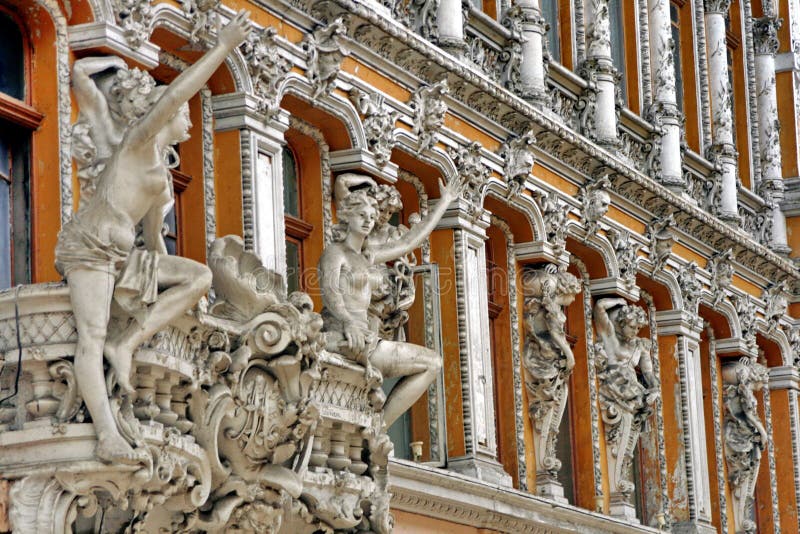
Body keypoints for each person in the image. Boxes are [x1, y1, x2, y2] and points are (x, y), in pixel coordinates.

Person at [55, 11, 252, 463]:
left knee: (198, 277)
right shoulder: (139, 143)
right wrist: (222, 47)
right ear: (166, 114)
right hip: (90, 247)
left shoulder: (162, 179)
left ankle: (126, 342)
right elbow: (180, 90)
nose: (189, 123)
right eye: (184, 116)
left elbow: (153, 241)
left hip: (124, 256)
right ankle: (107, 436)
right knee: (90, 336)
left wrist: (169, 297)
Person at [318, 173, 463, 428]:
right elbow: (330, 292)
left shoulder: (367, 256)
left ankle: (378, 427)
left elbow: (410, 241)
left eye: (371, 217)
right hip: (344, 335)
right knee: (431, 363)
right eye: (361, 215)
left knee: (433, 363)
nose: (368, 221)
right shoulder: (335, 252)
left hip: (366, 338)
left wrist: (444, 202)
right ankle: (378, 428)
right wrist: (347, 322)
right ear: (347, 216)